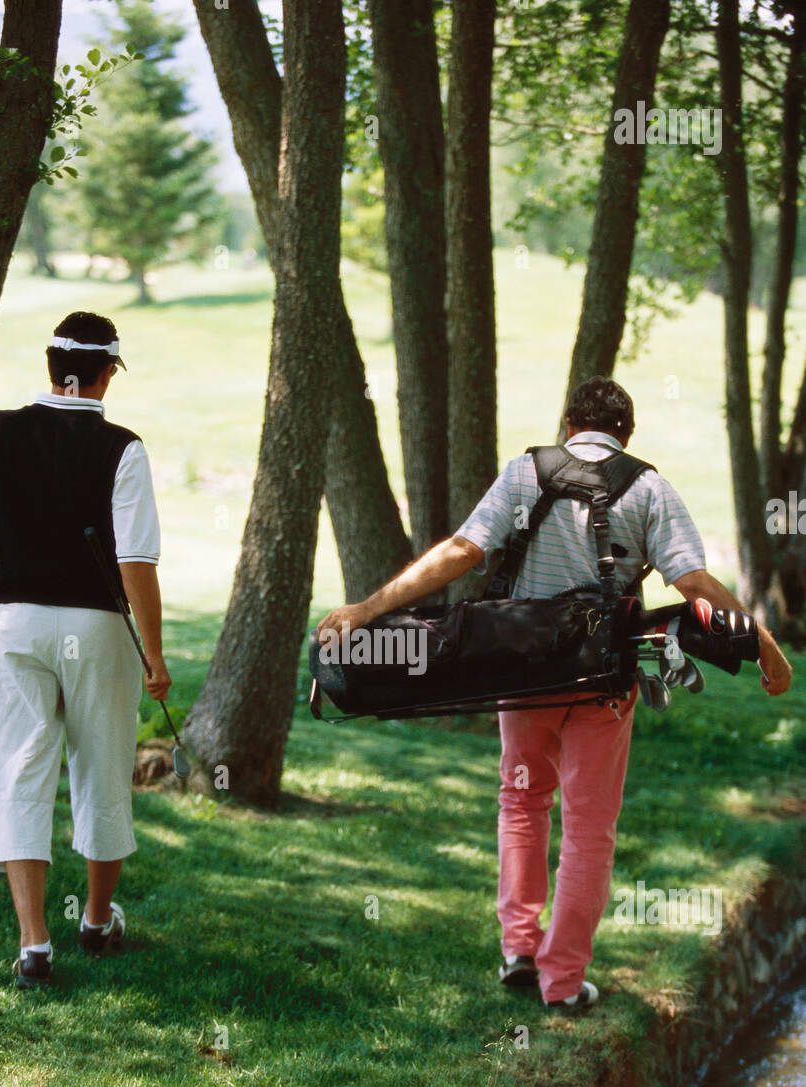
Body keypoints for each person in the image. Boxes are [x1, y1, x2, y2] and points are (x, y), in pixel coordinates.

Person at [317, 377, 793, 1012]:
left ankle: (519, 948)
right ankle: (562, 981)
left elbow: (462, 551)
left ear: (571, 423)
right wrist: (763, 642)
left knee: (521, 803)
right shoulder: (648, 487)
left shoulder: (525, 474)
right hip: (601, 686)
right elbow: (695, 582)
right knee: (589, 832)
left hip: (522, 674)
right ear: (625, 434)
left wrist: (368, 606)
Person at [0, 311, 171, 989]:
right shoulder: (124, 447)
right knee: (101, 766)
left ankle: (34, 942)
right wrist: (154, 655)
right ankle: (96, 921)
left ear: (52, 365)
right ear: (106, 375)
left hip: (13, 625)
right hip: (98, 628)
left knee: (18, 771)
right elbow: (136, 563)